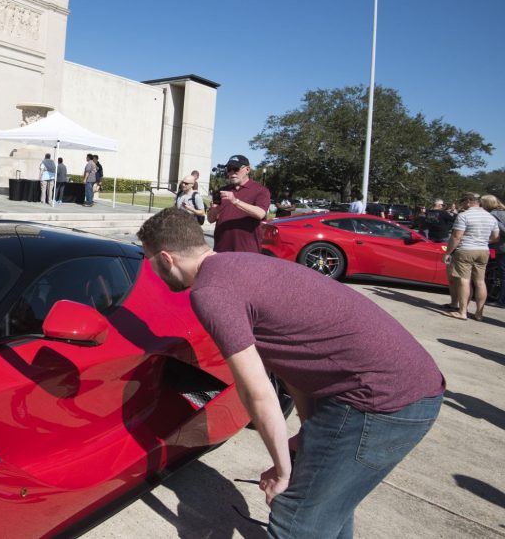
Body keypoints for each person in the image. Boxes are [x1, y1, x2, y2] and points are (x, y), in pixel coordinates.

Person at [138, 208, 444, 538]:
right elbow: (290, 368)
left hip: (381, 401)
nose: (152, 270)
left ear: (166, 258)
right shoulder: (243, 265)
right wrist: (303, 440)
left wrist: (284, 471)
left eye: (149, 260)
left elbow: (256, 392)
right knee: (326, 507)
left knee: (295, 517)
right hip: (404, 387)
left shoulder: (211, 291)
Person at [442, 193, 499, 320]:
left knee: (464, 280)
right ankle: (479, 313)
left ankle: (462, 312)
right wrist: (482, 241)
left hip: (466, 250)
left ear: (469, 201)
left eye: (463, 201)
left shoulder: (464, 216)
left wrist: (447, 253)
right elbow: (496, 237)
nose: (462, 204)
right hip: (483, 250)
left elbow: (456, 236)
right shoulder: (490, 217)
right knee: (480, 281)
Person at [207, 154, 271, 253]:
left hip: (247, 250)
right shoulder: (222, 191)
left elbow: (260, 213)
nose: (232, 173)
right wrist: (215, 209)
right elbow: (210, 219)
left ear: (247, 169)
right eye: (229, 169)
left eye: (236, 169)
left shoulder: (260, 191)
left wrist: (235, 201)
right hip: (221, 249)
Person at [484, 194, 505, 307]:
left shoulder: (493, 215)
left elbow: (502, 230)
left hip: (502, 247)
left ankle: (502, 301)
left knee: (503, 275)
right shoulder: (503, 212)